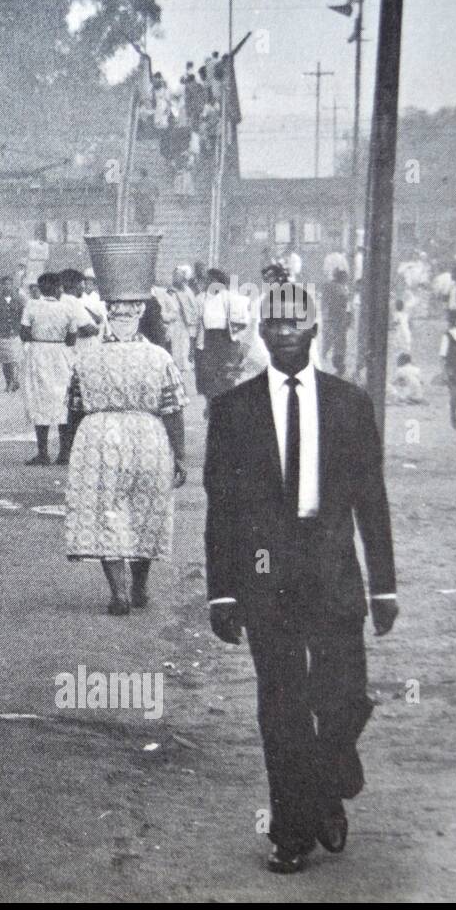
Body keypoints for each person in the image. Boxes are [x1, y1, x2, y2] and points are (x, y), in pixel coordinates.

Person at [205, 281, 397, 875]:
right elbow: (222, 508)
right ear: (261, 333)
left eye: (296, 323)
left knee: (343, 696)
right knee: (282, 705)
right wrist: (222, 591)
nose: (286, 332)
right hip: (266, 574)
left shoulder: (349, 403)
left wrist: (384, 585)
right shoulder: (233, 410)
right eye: (275, 323)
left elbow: (371, 498)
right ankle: (291, 830)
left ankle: (330, 775)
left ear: (314, 330)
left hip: (333, 571)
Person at [65, 294, 187, 615]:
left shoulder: (87, 357)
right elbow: (173, 408)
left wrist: (76, 449)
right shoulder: (159, 357)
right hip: (148, 436)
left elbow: (75, 407)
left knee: (107, 512)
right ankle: (139, 587)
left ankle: (119, 593)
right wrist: (179, 454)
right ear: (141, 316)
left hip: (98, 437)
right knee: (143, 510)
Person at [21, 271, 96, 465]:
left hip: (38, 352)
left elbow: (24, 333)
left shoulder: (32, 306)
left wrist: (39, 337)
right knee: (63, 401)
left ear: (40, 288)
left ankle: (43, 452)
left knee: (40, 400)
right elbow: (71, 338)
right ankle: (64, 452)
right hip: (61, 354)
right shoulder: (68, 308)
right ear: (58, 288)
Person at [192, 267, 249, 413]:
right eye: (207, 280)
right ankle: (211, 403)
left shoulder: (232, 298)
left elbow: (242, 323)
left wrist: (239, 345)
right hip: (207, 342)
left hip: (227, 342)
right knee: (207, 377)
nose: (207, 283)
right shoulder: (201, 299)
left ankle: (225, 407)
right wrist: (193, 346)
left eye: (211, 280)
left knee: (227, 376)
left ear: (219, 282)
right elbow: (196, 324)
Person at [0, 276, 22, 392]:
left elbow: (22, 317)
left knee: (14, 359)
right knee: (5, 361)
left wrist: (21, 329)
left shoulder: (18, 302)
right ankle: (9, 381)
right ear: (1, 286)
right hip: (2, 335)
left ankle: (14, 380)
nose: (7, 287)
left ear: (12, 286)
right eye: (5, 284)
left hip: (15, 334)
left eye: (9, 284)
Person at [321, 269, 353, 376]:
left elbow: (325, 302)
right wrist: (348, 317)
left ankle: (326, 354)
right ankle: (338, 363)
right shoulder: (341, 289)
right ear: (342, 278)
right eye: (345, 278)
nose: (346, 280)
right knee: (339, 341)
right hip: (339, 317)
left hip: (331, 317)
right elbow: (345, 305)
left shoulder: (329, 286)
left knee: (331, 338)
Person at [441, 308, 456, 430]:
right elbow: (442, 356)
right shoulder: (448, 335)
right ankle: (453, 414)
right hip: (453, 369)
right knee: (455, 394)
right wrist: (444, 372)